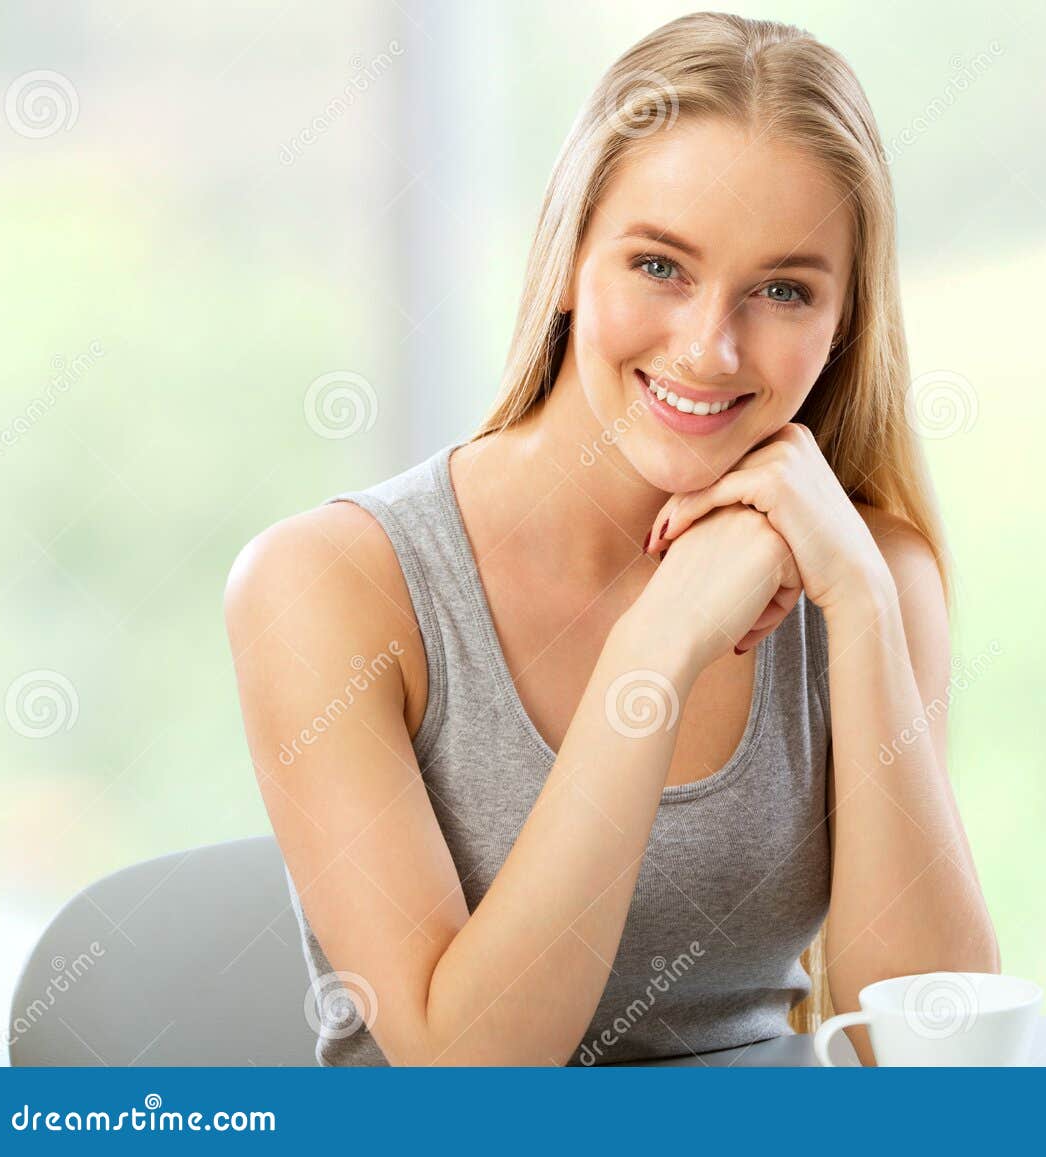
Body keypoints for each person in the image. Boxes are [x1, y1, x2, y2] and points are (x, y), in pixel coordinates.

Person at [223, 11, 997, 1067]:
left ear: (845, 319)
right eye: (658, 266)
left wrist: (861, 603)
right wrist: (655, 648)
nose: (709, 346)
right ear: (570, 256)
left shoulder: (866, 574)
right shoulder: (330, 584)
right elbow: (469, 1077)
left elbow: (929, 1055)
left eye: (782, 289)